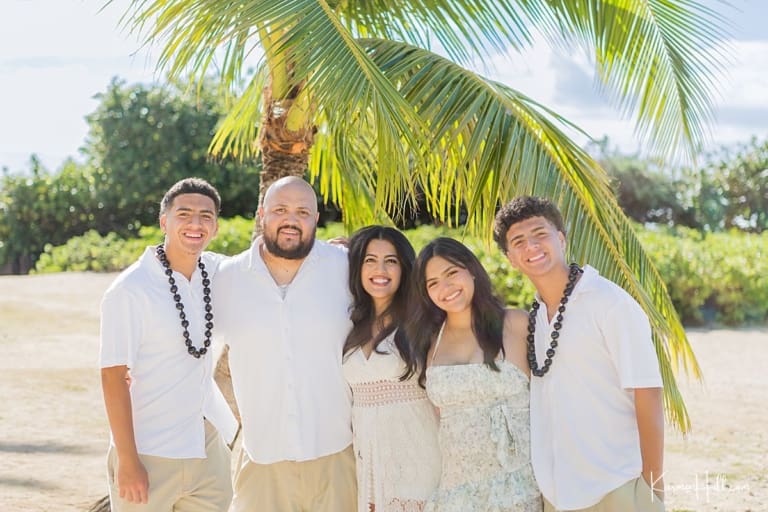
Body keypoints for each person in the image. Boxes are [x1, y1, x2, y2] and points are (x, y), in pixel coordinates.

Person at [493, 196, 665, 512]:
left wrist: (652, 488)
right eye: (519, 242)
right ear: (511, 259)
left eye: (540, 234)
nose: (531, 246)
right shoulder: (535, 317)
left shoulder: (609, 303)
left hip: (617, 485)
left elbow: (649, 392)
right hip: (557, 492)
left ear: (561, 239)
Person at [213, 176, 356, 512]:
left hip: (337, 456)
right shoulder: (226, 277)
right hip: (262, 460)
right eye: (280, 210)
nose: (291, 219)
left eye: (302, 212)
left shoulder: (347, 267)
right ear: (262, 214)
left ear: (316, 219)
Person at [99, 177, 238, 511]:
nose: (195, 224)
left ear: (216, 227)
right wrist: (128, 461)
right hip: (149, 450)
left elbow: (267, 264)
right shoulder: (130, 290)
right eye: (184, 214)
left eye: (206, 216)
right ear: (164, 222)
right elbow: (112, 376)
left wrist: (337, 250)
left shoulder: (217, 271)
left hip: (207, 448)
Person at [407, 237, 542, 512]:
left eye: (451, 273)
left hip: (518, 486)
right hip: (458, 492)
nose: (445, 288)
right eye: (433, 283)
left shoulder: (516, 323)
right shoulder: (429, 340)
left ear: (471, 270)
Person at [342, 225, 441, 512]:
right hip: (368, 460)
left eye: (391, 261)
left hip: (418, 455)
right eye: (370, 260)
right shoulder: (351, 322)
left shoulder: (424, 321)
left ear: (404, 268)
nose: (380, 270)